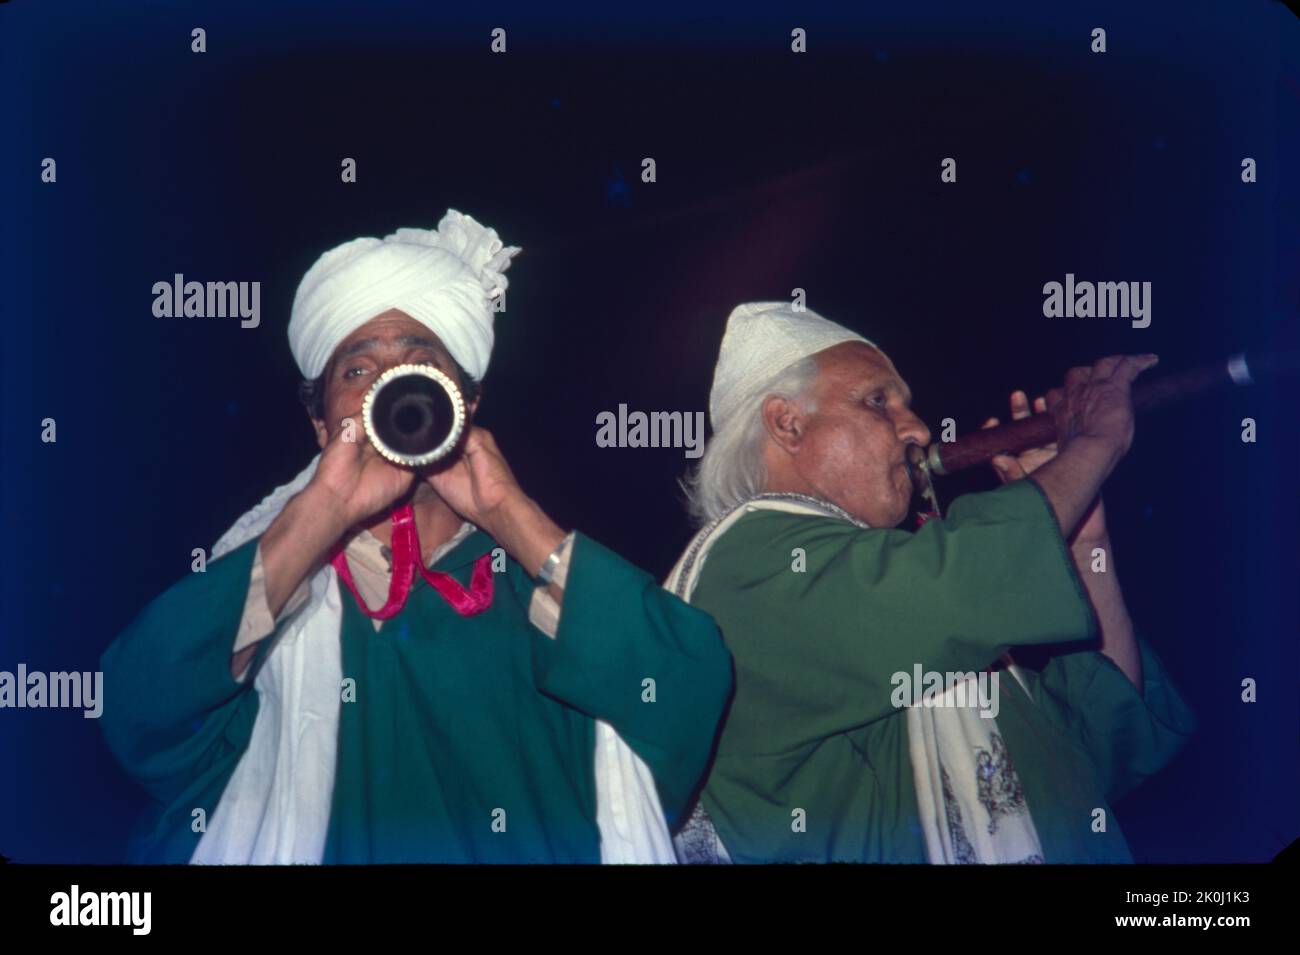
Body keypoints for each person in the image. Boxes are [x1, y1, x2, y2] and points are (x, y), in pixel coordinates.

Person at [100, 210, 732, 864]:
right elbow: (140, 711)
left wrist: (510, 513)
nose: (388, 387)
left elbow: (685, 690)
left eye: (418, 363)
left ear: (465, 399)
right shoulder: (273, 602)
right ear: (321, 423)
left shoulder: (542, 601)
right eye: (357, 372)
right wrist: (318, 513)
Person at [669, 301, 1196, 864]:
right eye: (877, 401)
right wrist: (1095, 444)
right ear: (787, 423)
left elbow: (1099, 748)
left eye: (908, 405)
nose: (918, 427)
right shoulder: (747, 566)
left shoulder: (908, 597)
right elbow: (961, 581)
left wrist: (1084, 541)